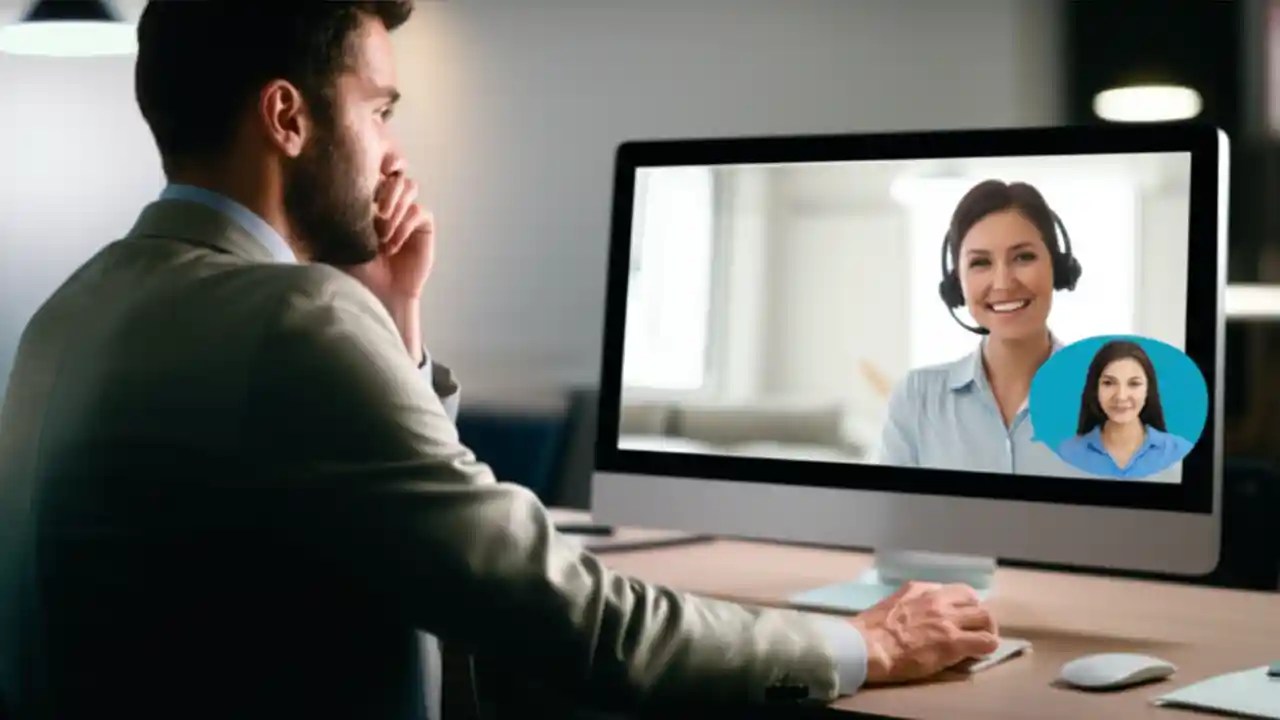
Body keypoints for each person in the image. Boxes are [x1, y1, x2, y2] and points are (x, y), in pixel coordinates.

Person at [0, 4, 999, 719]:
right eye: (380, 109)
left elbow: (416, 537)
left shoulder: (71, 310)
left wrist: (392, 314)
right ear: (287, 118)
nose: (393, 151)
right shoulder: (290, 321)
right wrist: (861, 643)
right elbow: (571, 620)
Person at [877, 179, 1090, 477]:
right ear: (957, 285)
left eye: (1023, 257)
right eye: (980, 263)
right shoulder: (916, 400)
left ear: (1058, 267)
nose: (1003, 283)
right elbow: (893, 519)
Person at [1055, 340, 1193, 479]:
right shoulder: (1068, 453)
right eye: (1108, 383)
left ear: (1148, 389)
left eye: (1134, 384)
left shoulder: (1180, 452)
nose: (1121, 396)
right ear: (1095, 389)